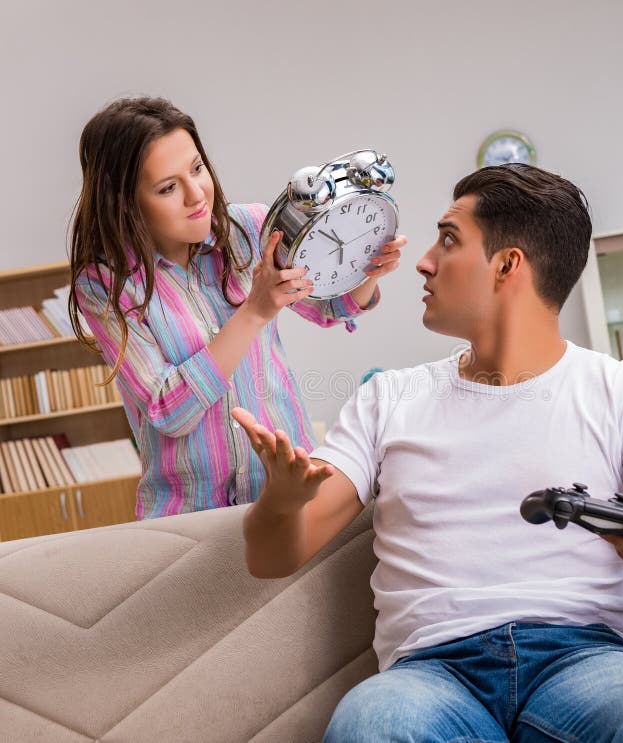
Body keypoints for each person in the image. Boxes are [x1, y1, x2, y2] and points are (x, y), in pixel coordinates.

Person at [232, 163, 623, 742]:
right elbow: (269, 558)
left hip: (587, 660)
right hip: (431, 675)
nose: (423, 262)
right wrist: (280, 502)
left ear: (506, 266)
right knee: (371, 727)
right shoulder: (387, 399)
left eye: (448, 240)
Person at [68, 96, 406, 519]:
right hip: (191, 515)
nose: (197, 195)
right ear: (124, 200)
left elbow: (328, 308)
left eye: (197, 169)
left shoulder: (250, 229)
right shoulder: (106, 284)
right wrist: (254, 312)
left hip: (288, 494)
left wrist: (369, 269)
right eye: (168, 187)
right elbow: (168, 411)